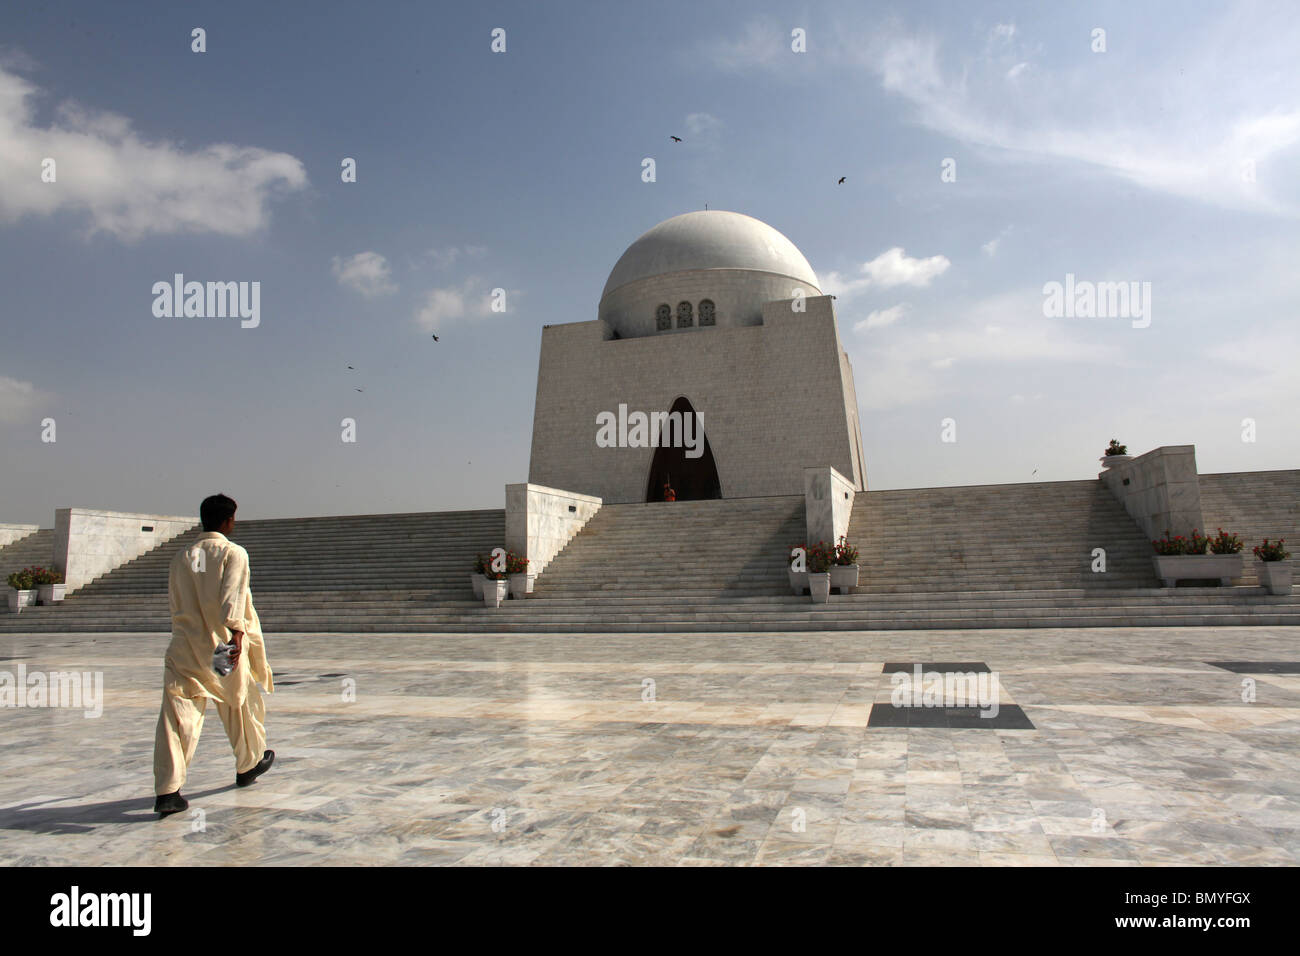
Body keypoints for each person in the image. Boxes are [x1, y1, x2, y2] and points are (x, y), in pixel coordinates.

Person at [153, 493, 275, 817]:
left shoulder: (182, 556)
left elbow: (176, 600)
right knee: (237, 702)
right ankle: (248, 763)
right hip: (221, 645)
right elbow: (231, 597)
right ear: (227, 521)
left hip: (184, 645)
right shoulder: (233, 553)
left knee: (178, 716)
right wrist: (236, 634)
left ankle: (168, 791)